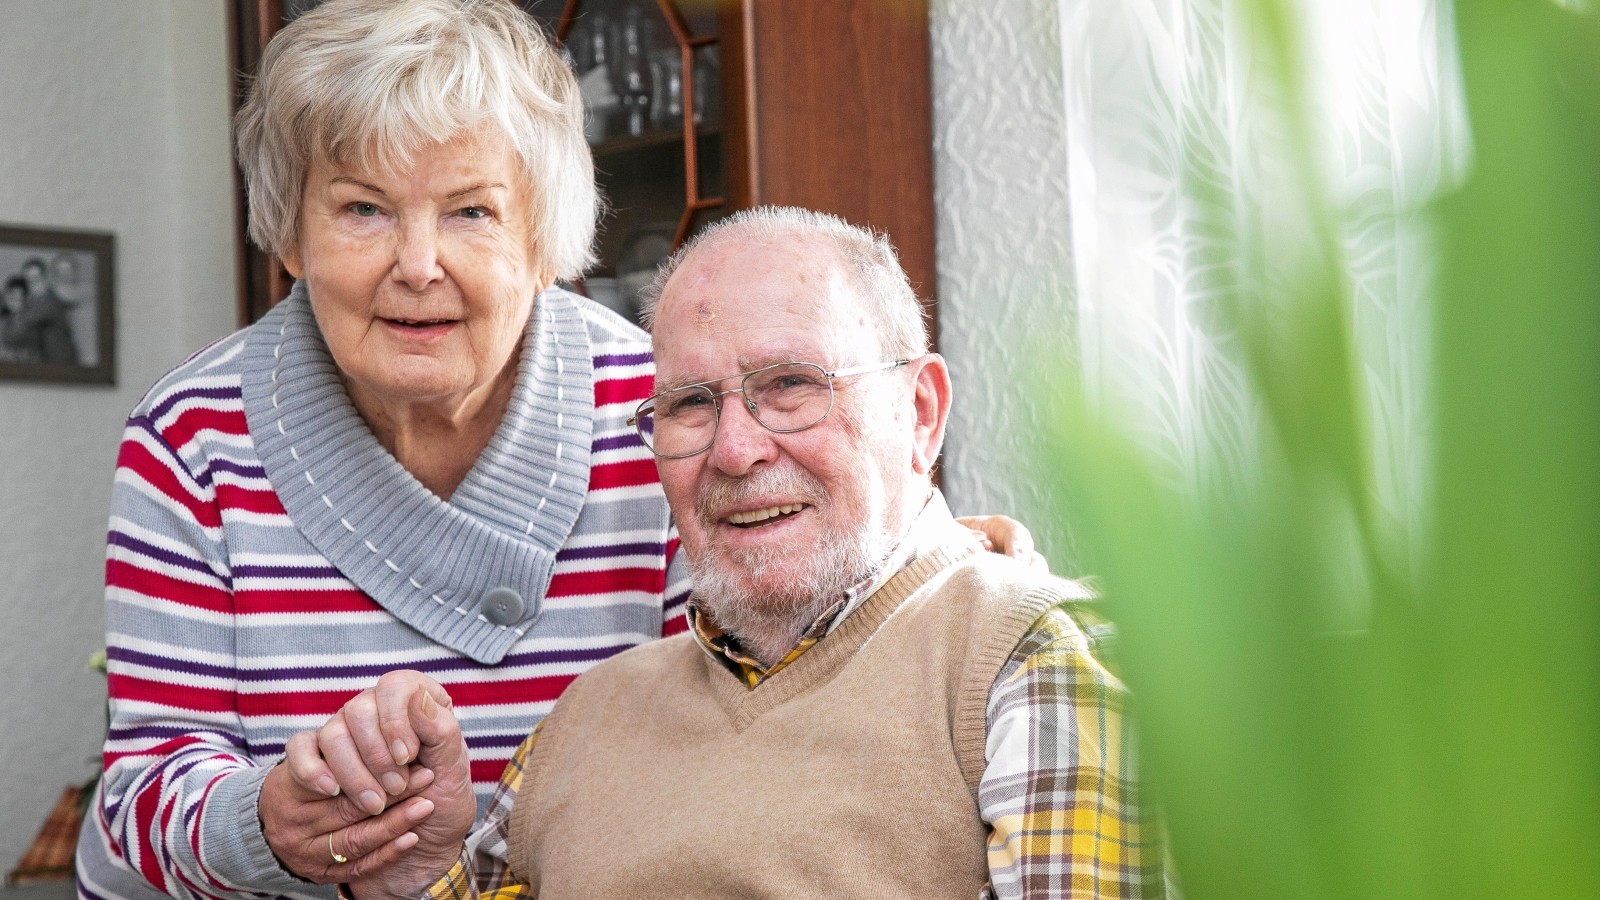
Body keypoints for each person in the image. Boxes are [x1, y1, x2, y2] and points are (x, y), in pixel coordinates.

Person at [75, 4, 1035, 899]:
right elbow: (138, 794)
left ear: (546, 239)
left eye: (472, 212)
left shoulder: (669, 409)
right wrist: (266, 823)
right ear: (291, 232)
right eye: (363, 209)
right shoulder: (192, 438)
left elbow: (772, 694)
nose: (417, 264)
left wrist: (941, 571)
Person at [304, 208, 1174, 900]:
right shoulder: (586, 717)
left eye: (791, 385)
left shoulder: (1030, 661)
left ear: (921, 412)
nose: (734, 449)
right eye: (689, 403)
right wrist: (415, 872)